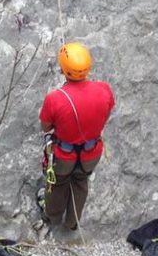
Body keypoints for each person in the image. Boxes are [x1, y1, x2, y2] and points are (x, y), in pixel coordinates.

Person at [39, 42, 115, 236]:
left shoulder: (55, 99)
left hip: (65, 154)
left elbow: (46, 127)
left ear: (63, 69)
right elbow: (106, 114)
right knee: (80, 182)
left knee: (58, 183)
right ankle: (72, 223)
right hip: (91, 153)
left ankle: (52, 216)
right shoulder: (104, 90)